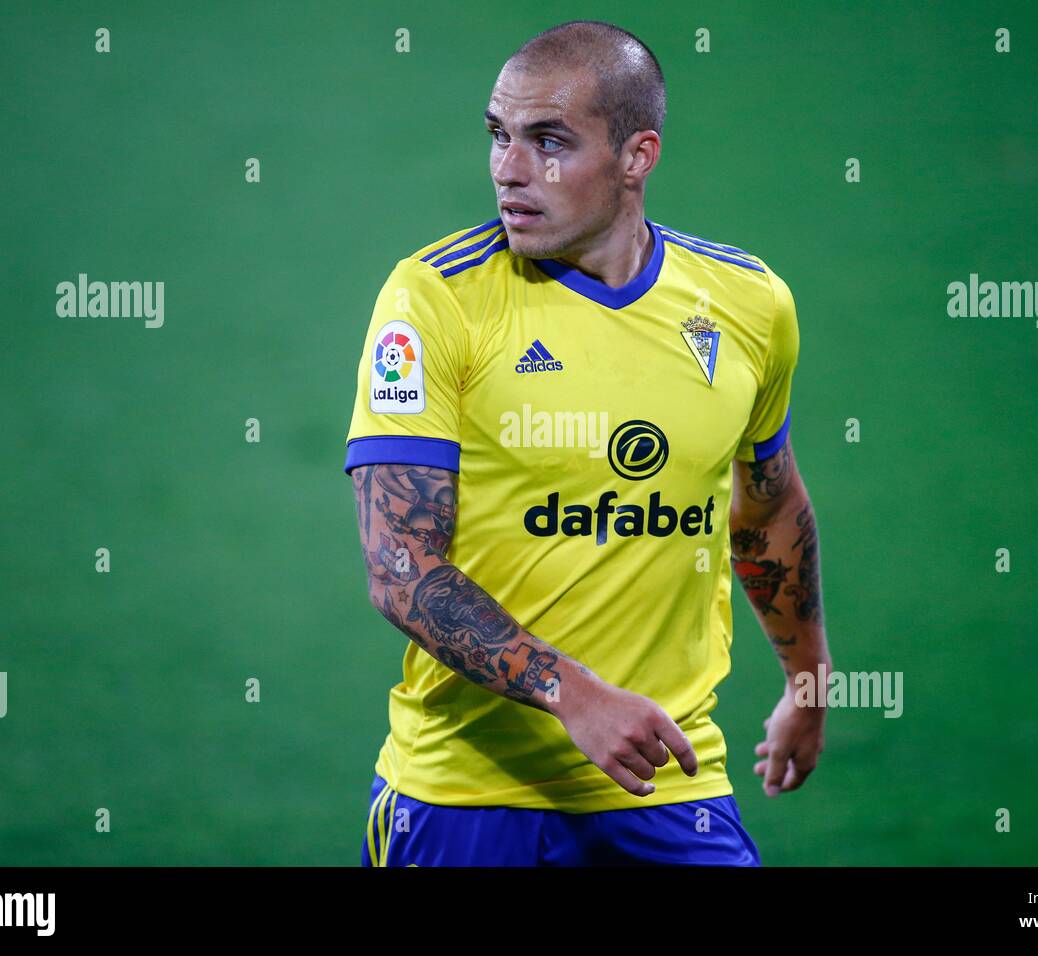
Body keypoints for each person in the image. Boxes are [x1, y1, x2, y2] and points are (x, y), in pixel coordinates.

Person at [344, 19, 831, 866]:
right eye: (498, 136)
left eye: (549, 142)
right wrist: (574, 696)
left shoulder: (749, 306)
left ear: (638, 155)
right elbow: (399, 565)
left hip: (670, 785)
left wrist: (809, 680)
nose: (508, 168)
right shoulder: (434, 300)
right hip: (467, 796)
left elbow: (767, 505)